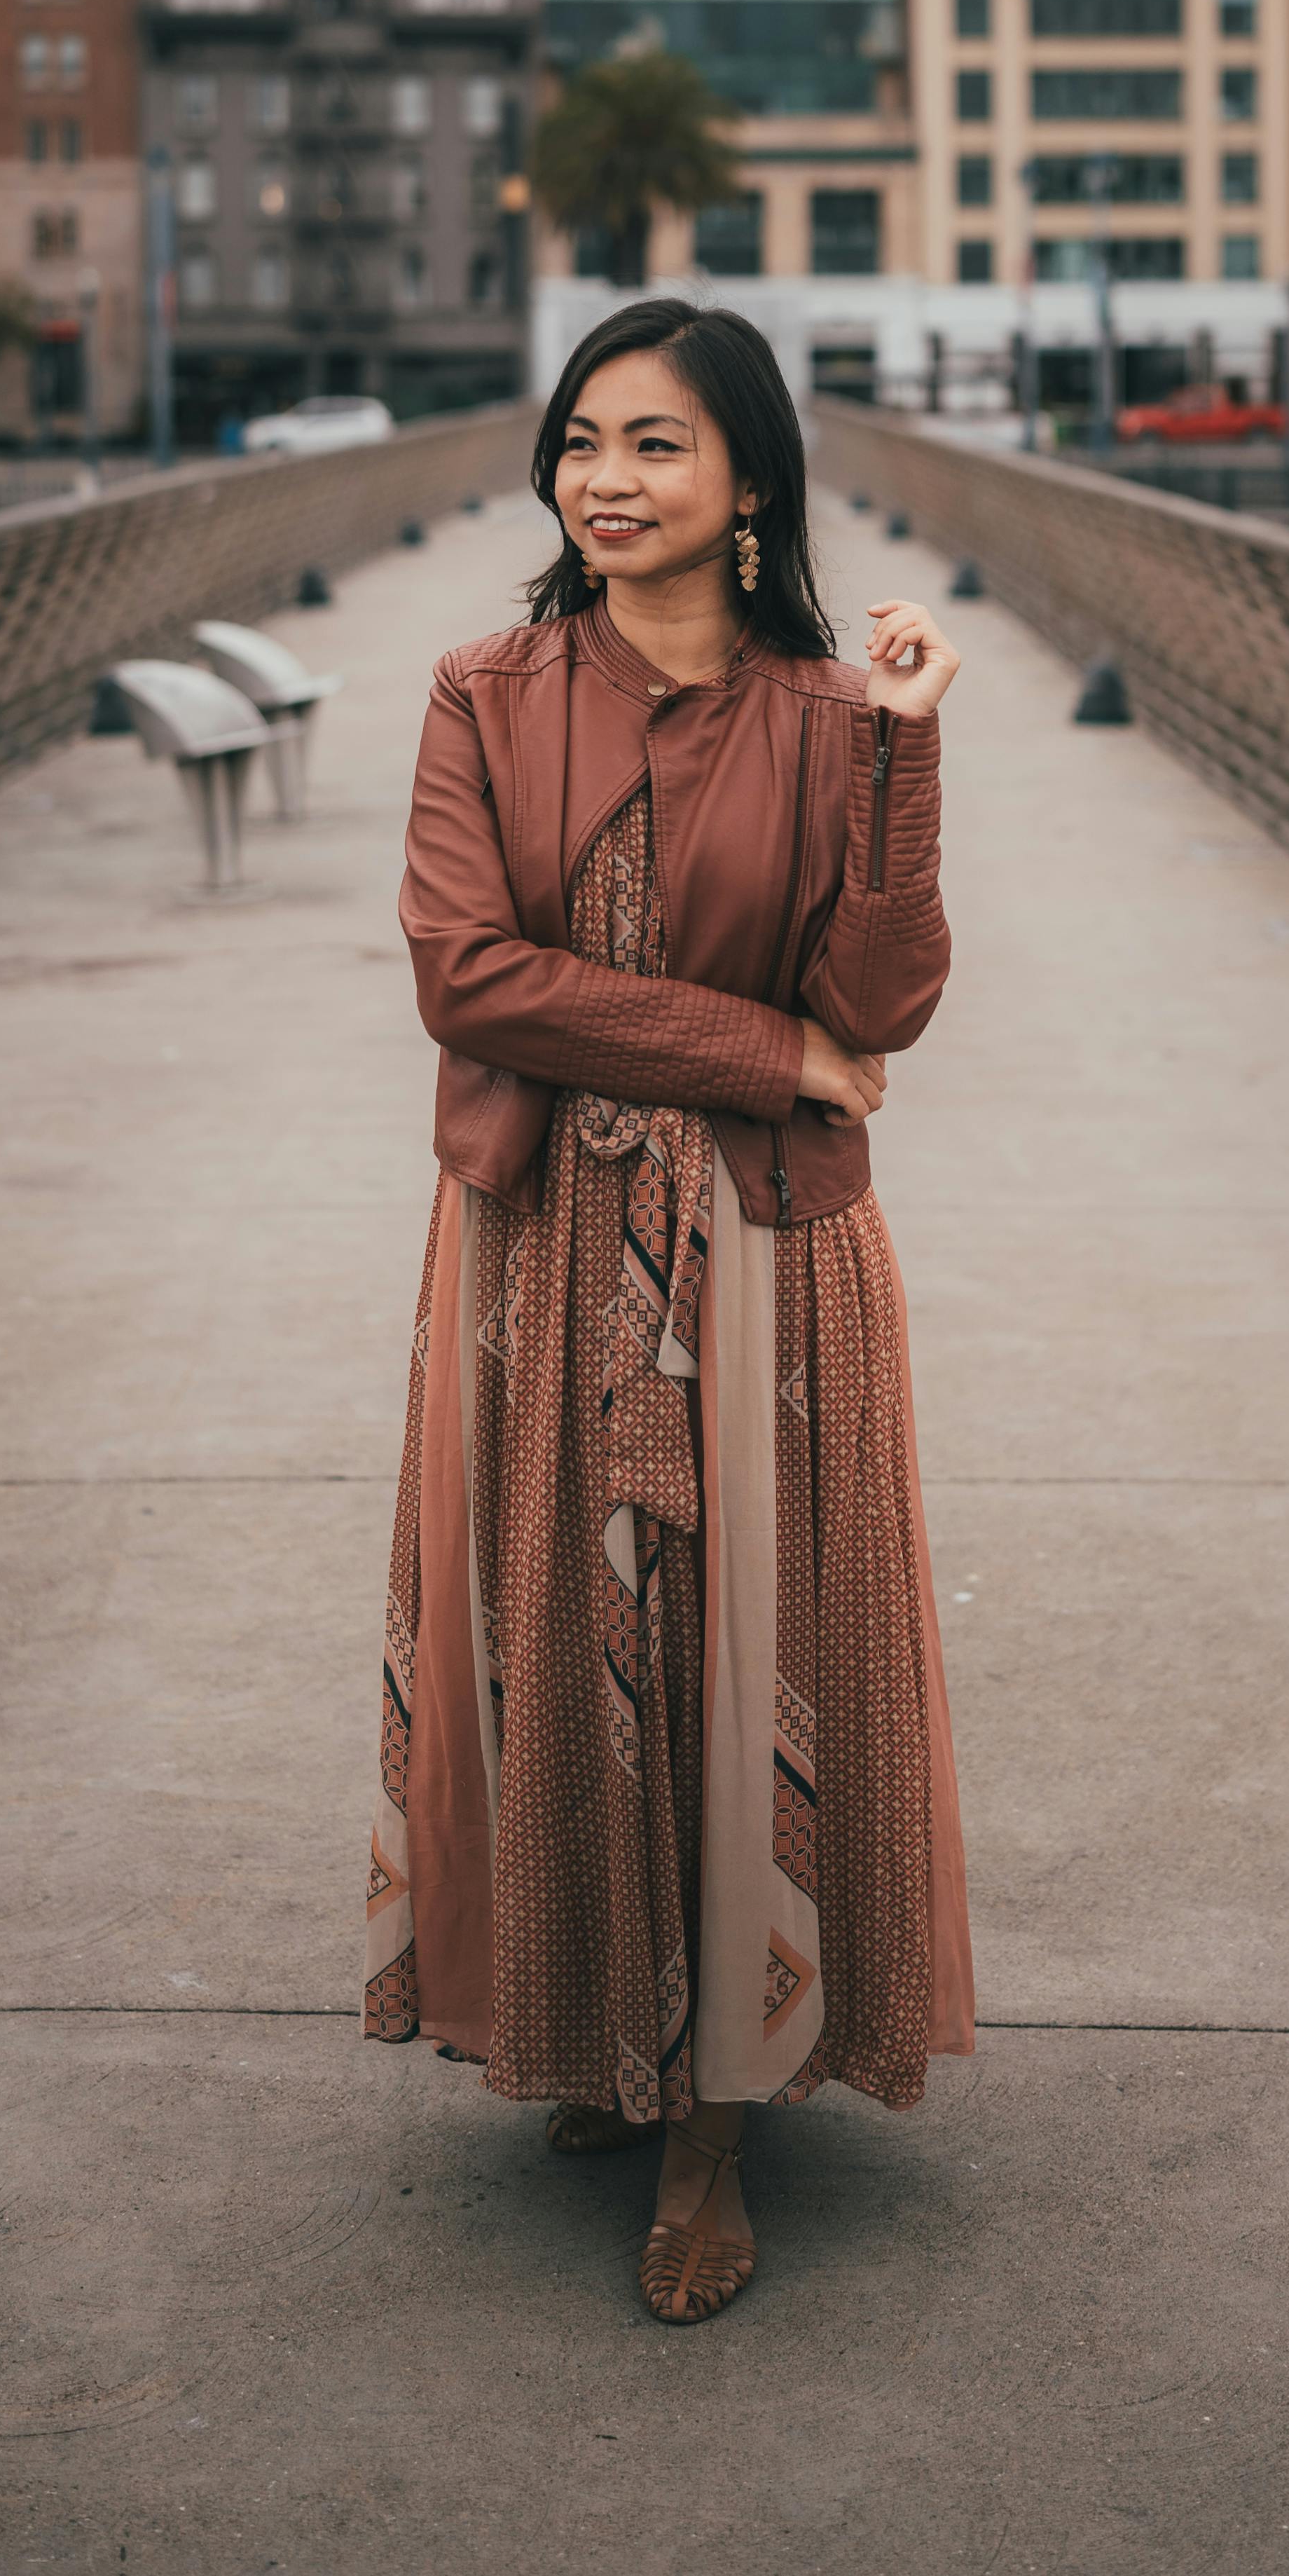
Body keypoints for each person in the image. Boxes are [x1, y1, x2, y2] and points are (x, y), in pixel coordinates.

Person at [365, 299, 974, 2324]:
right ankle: (603, 2025)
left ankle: (714, 2123)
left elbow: (878, 1005)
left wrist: (902, 747)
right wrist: (757, 1046)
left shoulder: (822, 713)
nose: (604, 481)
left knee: (736, 1665)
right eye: (580, 442)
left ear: (749, 486)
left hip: (770, 1254)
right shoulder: (480, 690)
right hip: (540, 1241)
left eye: (654, 446)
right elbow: (471, 975)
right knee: (567, 1643)